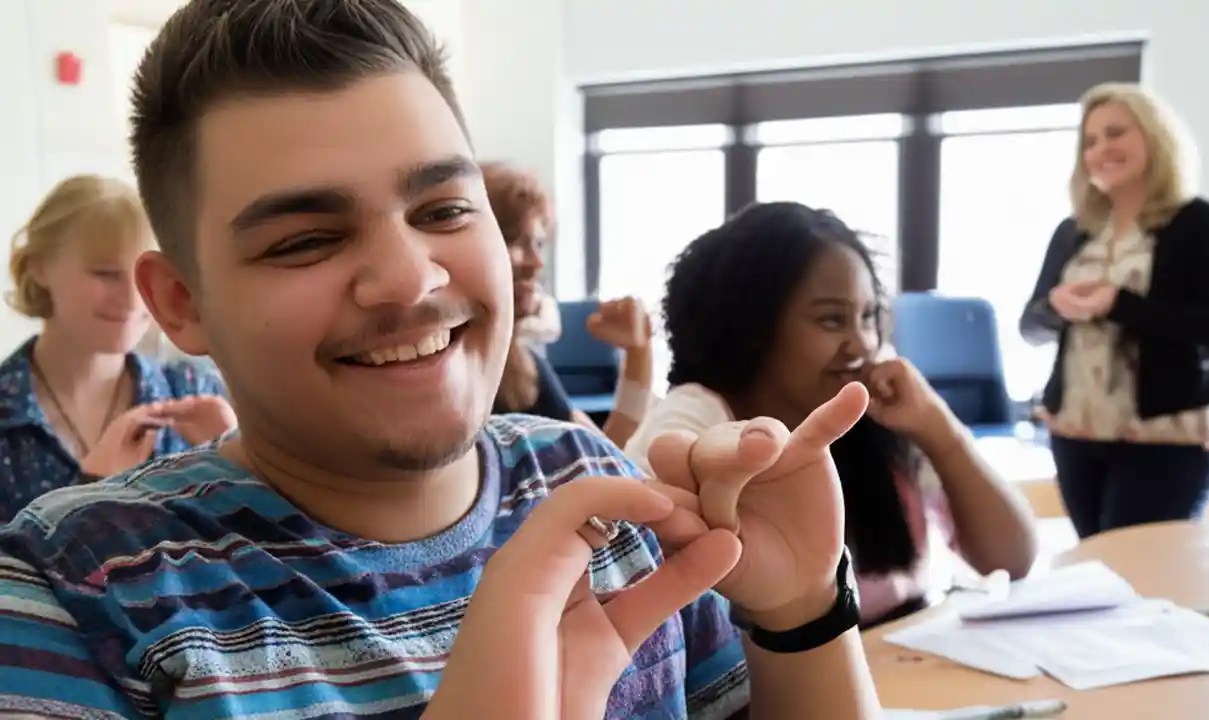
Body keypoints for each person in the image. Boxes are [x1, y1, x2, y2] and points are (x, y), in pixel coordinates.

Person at [0, 2, 881, 717]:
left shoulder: (597, 493)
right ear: (181, 303)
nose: (407, 278)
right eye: (306, 239)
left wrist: (803, 614)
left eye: (445, 211)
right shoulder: (71, 592)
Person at [626, 202, 1038, 626]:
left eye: (868, 316)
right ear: (752, 328)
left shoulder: (878, 412)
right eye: (831, 320)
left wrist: (938, 428)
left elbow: (1011, 558)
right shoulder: (695, 418)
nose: (861, 343)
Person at [1020, 83, 1209, 539]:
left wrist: (1119, 304)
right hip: (1075, 433)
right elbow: (1032, 324)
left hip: (1163, 439)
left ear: (1154, 137)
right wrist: (1058, 307)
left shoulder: (1199, 223)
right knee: (1096, 568)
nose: (1102, 149)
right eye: (1091, 140)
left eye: (1116, 133)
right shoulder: (1074, 231)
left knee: (1136, 579)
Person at [0, 174, 235, 522]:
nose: (132, 300)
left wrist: (241, 467)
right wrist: (90, 488)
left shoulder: (194, 391)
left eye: (144, 277)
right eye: (106, 274)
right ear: (39, 267)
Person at [484, 162, 654, 447]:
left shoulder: (523, 366)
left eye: (538, 244)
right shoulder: (456, 369)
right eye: (516, 241)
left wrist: (639, 351)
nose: (537, 263)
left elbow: (607, 451)